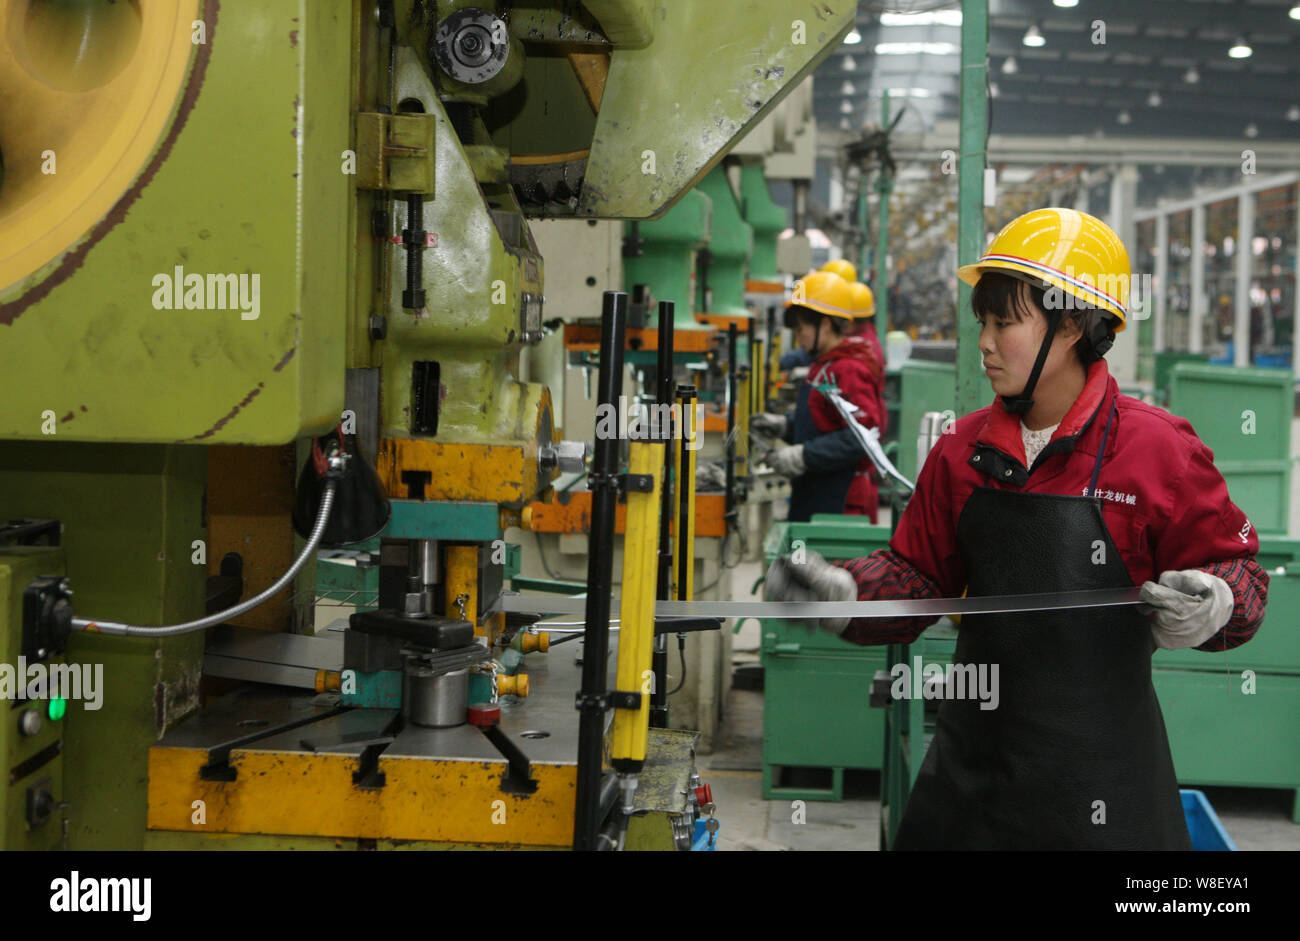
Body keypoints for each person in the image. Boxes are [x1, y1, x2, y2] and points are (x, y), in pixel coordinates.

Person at [765, 208, 1269, 850]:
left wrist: (1216, 602)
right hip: (973, 777)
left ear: (1073, 327)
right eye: (984, 321)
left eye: (1006, 322)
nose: (985, 341)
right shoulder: (960, 452)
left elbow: (1241, 573)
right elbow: (919, 575)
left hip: (1104, 784)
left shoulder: (1157, 451)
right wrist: (847, 595)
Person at [752, 270, 887, 522]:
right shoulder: (825, 365)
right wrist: (785, 427)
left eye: (802, 329)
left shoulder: (848, 369)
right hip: (816, 492)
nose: (799, 337)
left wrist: (802, 456)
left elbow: (863, 437)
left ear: (825, 325)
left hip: (839, 502)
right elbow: (824, 424)